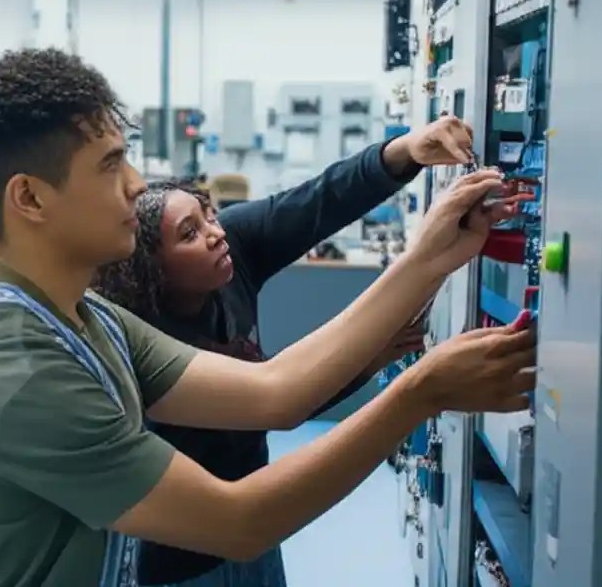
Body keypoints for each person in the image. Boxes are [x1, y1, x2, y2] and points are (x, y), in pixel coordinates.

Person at [0, 48, 535, 587]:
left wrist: (429, 258)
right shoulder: (18, 372)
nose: (136, 184)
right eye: (111, 166)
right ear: (30, 198)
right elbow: (239, 521)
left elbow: (274, 393)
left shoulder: (90, 321)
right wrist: (419, 392)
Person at [91, 115, 475, 587]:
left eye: (208, 214)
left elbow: (319, 200)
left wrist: (405, 150)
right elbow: (268, 405)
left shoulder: (231, 248)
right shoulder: (141, 336)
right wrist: (376, 363)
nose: (215, 233)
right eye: (189, 233)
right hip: (180, 557)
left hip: (259, 524)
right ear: (152, 272)